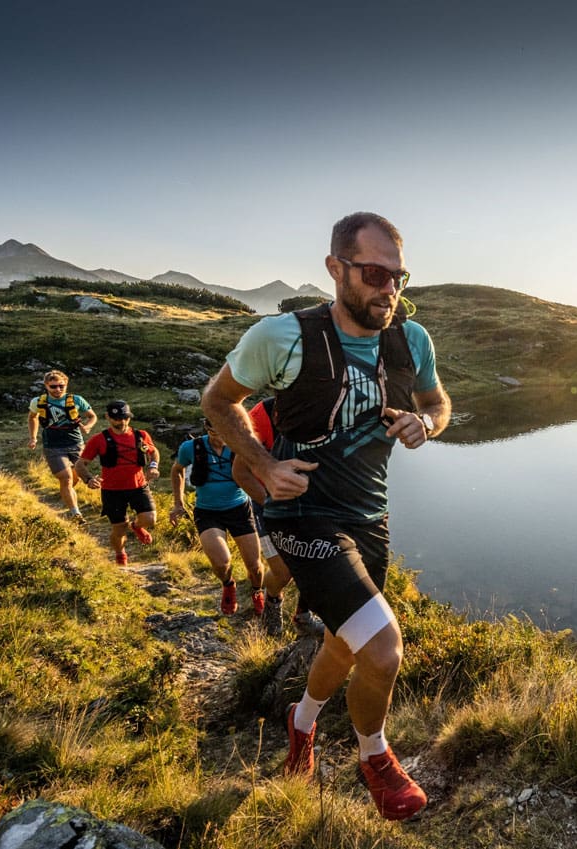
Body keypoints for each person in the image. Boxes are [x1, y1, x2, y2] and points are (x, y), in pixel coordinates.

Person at [201, 212, 450, 821]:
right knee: (385, 648)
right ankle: (376, 757)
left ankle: (301, 722)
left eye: (397, 276)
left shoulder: (411, 341)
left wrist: (428, 423)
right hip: (301, 512)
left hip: (369, 514)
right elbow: (218, 399)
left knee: (343, 640)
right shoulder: (281, 336)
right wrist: (261, 463)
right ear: (336, 268)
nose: (388, 289)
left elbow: (437, 401)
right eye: (373, 274)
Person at [231, 397, 323, 637]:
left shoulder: (331, 411)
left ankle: (303, 615)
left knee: (319, 561)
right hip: (268, 502)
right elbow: (240, 472)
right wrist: (270, 502)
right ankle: (272, 601)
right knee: (283, 572)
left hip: (311, 501)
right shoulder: (263, 415)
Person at [169, 419, 265, 616]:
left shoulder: (240, 446)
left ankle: (257, 592)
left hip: (240, 509)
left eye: (225, 433)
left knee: (255, 567)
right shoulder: (191, 448)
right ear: (207, 428)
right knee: (222, 562)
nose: (220, 438)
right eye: (215, 433)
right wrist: (178, 503)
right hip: (207, 512)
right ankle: (228, 584)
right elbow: (177, 469)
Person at [75, 400, 160, 565]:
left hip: (138, 486)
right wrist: (89, 479)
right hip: (112, 490)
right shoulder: (98, 440)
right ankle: (120, 555)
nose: (121, 421)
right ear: (107, 417)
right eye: (116, 418)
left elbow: (153, 451)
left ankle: (136, 526)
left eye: (125, 418)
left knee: (150, 519)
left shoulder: (141, 435)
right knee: (119, 528)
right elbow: (80, 464)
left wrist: (153, 466)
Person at [27, 369, 98, 521]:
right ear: (46, 386)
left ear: (66, 384)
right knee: (65, 478)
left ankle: (68, 494)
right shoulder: (38, 402)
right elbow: (32, 417)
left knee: (75, 478)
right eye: (53, 386)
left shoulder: (77, 400)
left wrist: (88, 426)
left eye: (61, 386)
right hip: (52, 446)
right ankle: (75, 513)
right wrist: (33, 437)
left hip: (76, 443)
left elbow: (92, 416)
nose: (58, 389)